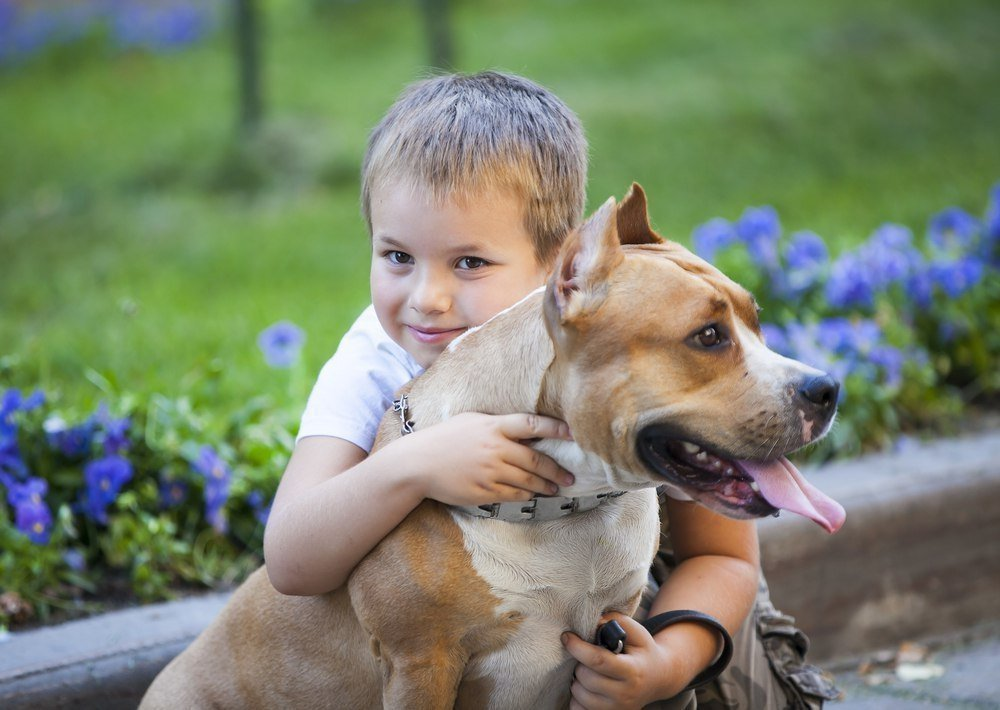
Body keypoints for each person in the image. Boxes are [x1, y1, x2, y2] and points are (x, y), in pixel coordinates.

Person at [263, 71, 836, 709]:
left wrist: (670, 665)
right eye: (396, 256)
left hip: (643, 597)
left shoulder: (619, 348)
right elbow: (291, 560)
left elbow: (724, 560)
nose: (426, 298)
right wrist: (413, 464)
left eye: (470, 262)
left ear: (566, 270)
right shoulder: (377, 358)